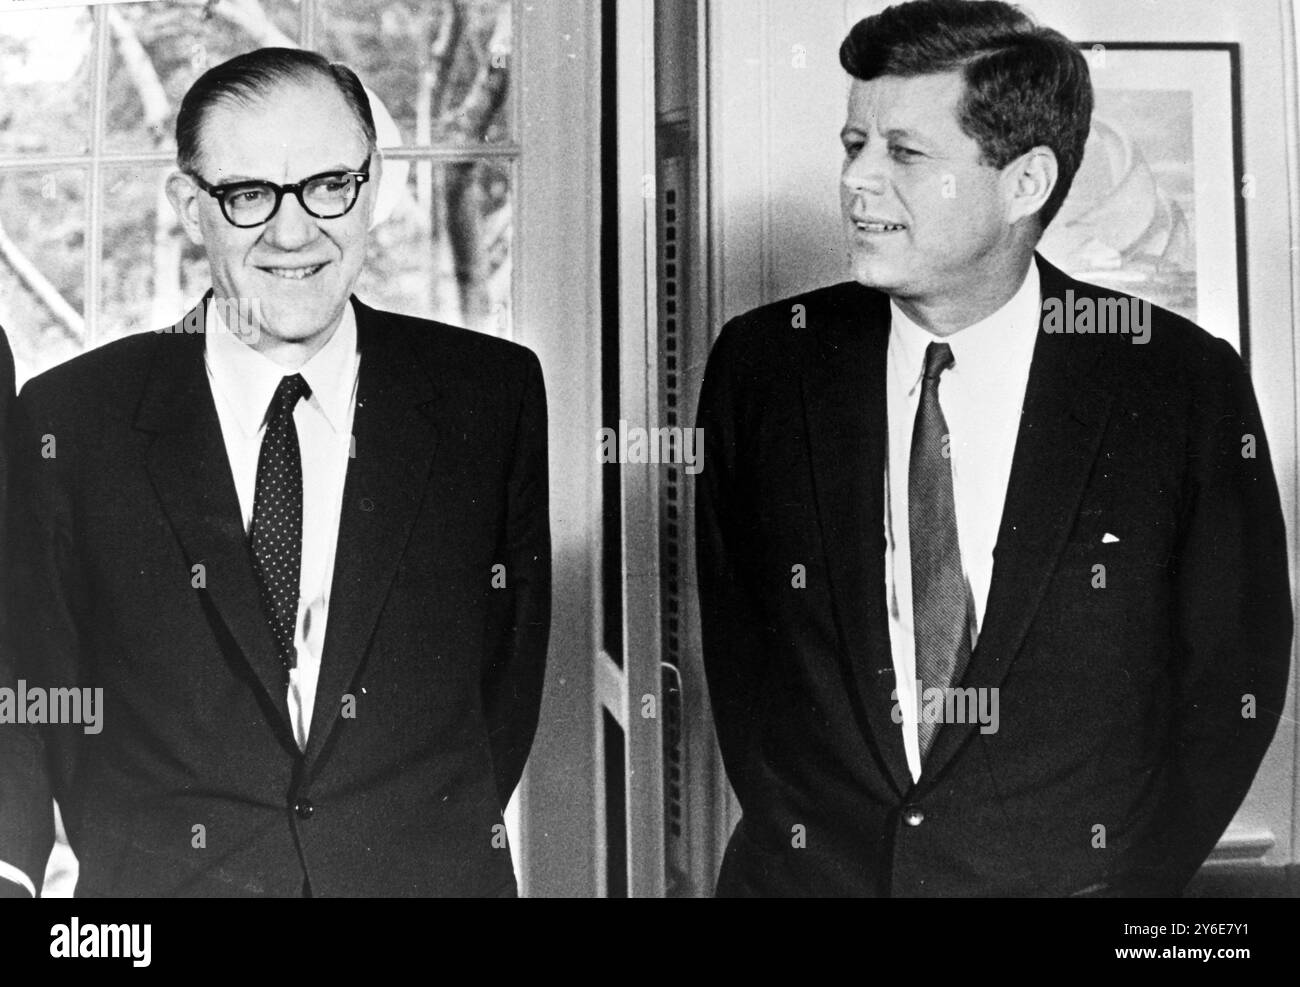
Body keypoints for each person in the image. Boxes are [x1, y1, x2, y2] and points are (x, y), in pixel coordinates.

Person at [694, 0, 1291, 896]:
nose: (857, 181)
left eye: (904, 153)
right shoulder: (765, 362)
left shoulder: (1179, 385)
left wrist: (1126, 885)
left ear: (1025, 183)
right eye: (853, 144)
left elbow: (1231, 676)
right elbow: (742, 652)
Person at [0, 47, 550, 897]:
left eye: (330, 185)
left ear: (370, 187)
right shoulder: (72, 420)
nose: (294, 232)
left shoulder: (491, 396)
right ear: (190, 206)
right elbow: (39, 697)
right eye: (249, 195)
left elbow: (501, 694)